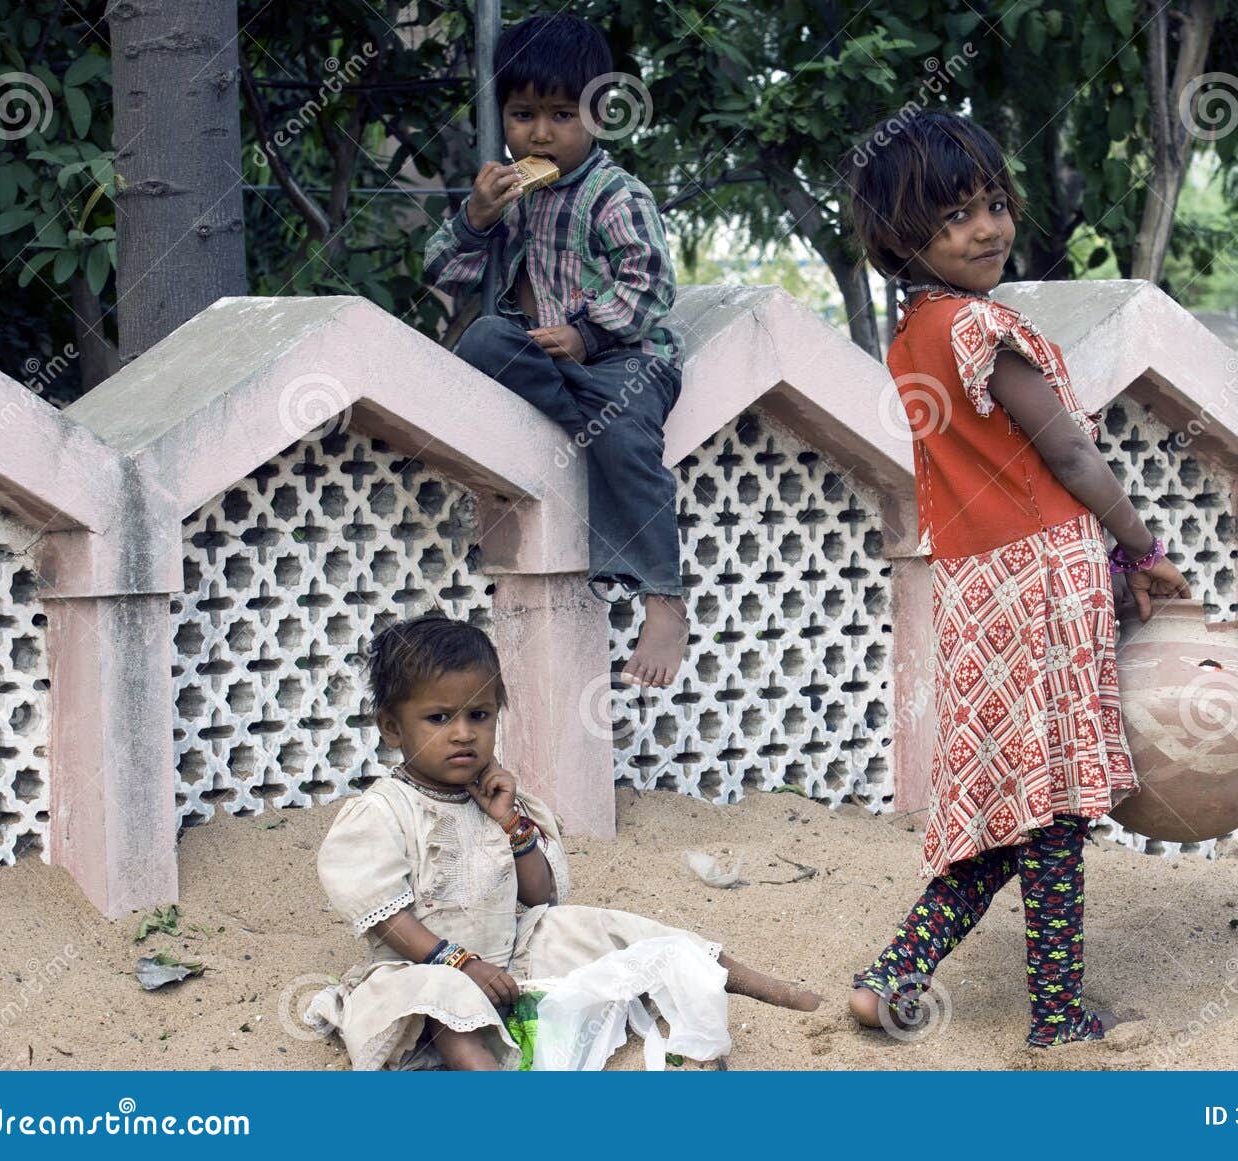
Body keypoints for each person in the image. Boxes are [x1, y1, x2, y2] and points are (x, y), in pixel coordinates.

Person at [840, 111, 1193, 1047]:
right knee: (1057, 806)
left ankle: (895, 974)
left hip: (971, 585)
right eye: (956, 215)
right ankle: (1056, 1015)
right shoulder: (984, 325)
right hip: (1037, 579)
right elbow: (1069, 452)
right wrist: (1142, 546)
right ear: (902, 238)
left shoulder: (915, 332)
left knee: (1021, 802)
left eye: (994, 203)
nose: (988, 227)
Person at [308, 613, 821, 1070]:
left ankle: (750, 981)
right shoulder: (381, 813)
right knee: (440, 997)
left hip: (515, 949)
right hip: (422, 966)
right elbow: (389, 919)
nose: (463, 733)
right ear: (393, 728)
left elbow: (540, 898)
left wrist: (512, 824)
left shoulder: (501, 799)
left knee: (609, 925)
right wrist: (460, 962)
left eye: (479, 716)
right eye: (439, 718)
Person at [423, 13, 687, 687]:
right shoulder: (506, 196)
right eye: (523, 114)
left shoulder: (615, 193)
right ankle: (584, 430)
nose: (539, 133)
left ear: (599, 114)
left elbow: (651, 284)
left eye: (562, 114)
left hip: (624, 358)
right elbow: (441, 276)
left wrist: (587, 332)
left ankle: (664, 598)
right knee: (484, 338)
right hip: (552, 368)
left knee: (626, 433)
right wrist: (474, 219)